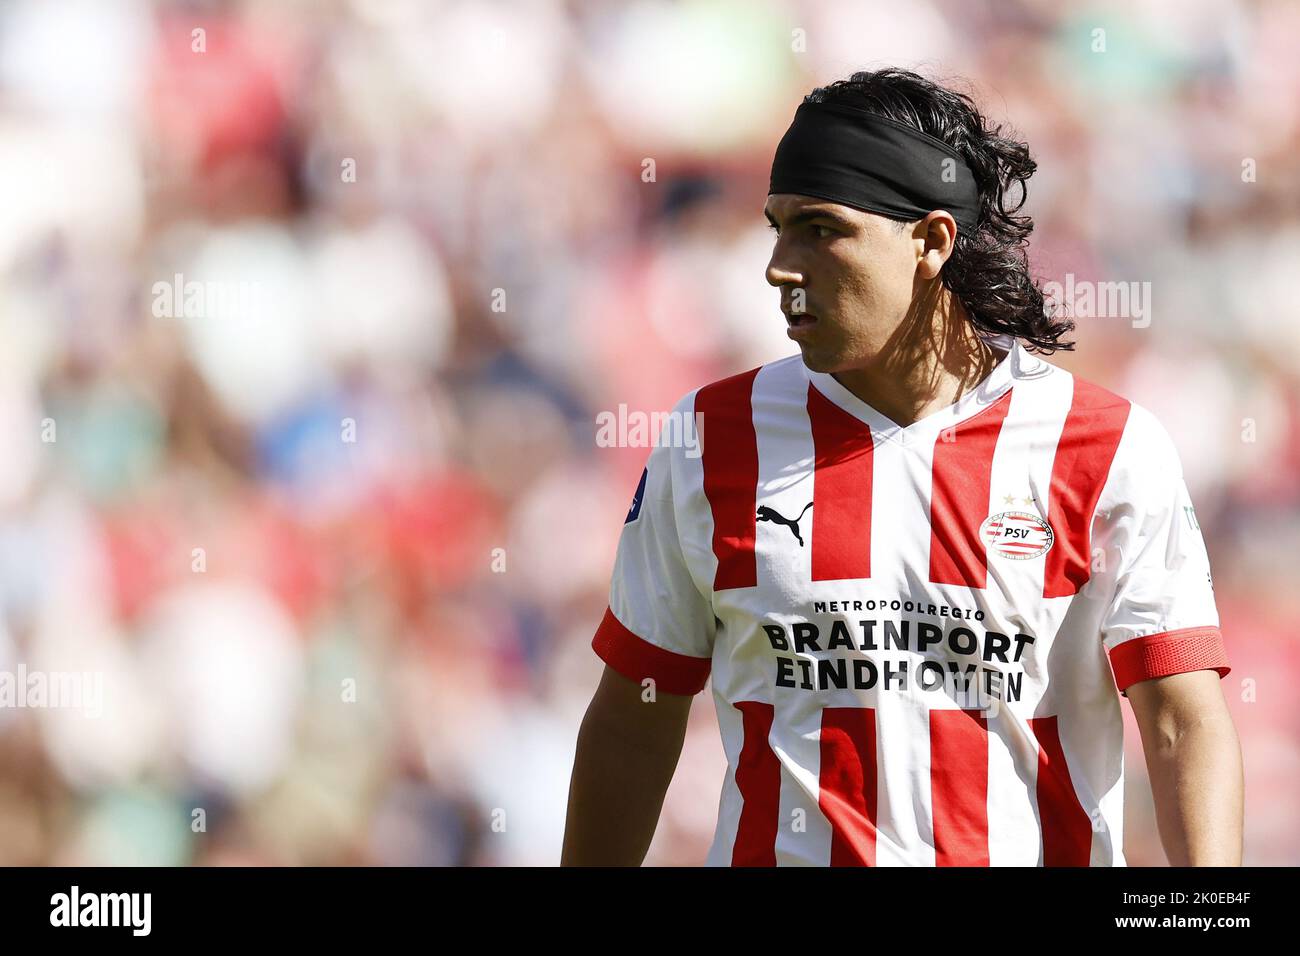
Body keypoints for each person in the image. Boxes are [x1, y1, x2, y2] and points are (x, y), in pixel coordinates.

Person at [562, 68, 1243, 867]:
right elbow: (636, 715)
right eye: (777, 226)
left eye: (821, 229)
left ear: (930, 241)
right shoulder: (710, 438)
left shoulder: (1107, 445)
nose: (780, 264)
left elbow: (1180, 720)